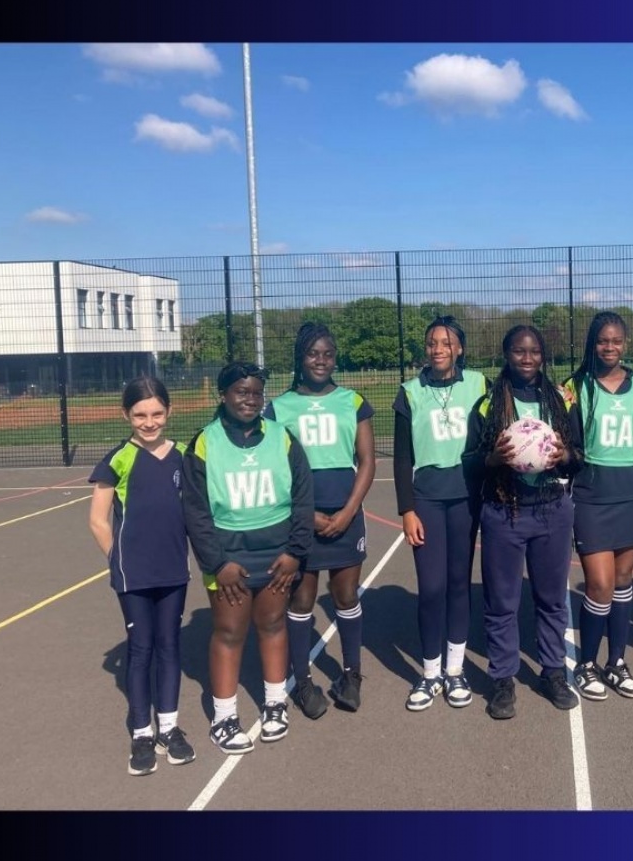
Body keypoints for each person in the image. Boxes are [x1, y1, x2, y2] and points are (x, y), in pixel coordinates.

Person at [183, 362, 315, 752]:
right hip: (228, 558)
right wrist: (217, 563)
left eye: (256, 392)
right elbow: (196, 511)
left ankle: (275, 704)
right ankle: (224, 717)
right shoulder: (204, 443)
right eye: (241, 392)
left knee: (273, 624)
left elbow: (303, 498)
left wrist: (295, 553)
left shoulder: (282, 438)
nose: (250, 399)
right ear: (222, 395)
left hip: (277, 555)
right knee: (229, 632)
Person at [462, 325, 583, 720]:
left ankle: (552, 672)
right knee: (502, 602)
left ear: (543, 355)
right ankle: (502, 679)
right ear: (506, 355)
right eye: (518, 351)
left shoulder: (562, 399)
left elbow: (580, 454)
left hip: (551, 508)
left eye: (533, 352)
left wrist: (565, 457)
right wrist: (492, 460)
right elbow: (471, 460)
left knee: (551, 599)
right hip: (504, 511)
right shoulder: (488, 404)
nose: (526, 359)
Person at [267, 323, 376, 715]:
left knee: (346, 596)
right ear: (300, 357)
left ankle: (352, 675)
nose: (321, 360)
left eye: (328, 353)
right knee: (301, 598)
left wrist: (347, 512)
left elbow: (366, 461)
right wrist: (307, 515)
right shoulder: (278, 408)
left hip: (345, 513)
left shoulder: (353, 401)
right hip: (302, 518)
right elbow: (276, 469)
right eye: (313, 353)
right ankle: (304, 682)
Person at [88, 376, 194, 776]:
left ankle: (169, 727)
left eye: (157, 414)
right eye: (140, 415)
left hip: (172, 570)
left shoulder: (183, 454)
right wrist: (118, 558)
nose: (149, 422)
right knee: (141, 649)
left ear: (168, 412)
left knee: (169, 647)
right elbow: (98, 520)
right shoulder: (119, 458)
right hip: (134, 574)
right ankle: (142, 733)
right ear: (126, 415)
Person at [393, 315, 487, 711]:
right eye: (432, 343)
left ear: (459, 349)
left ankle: (455, 670)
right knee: (431, 588)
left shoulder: (479, 384)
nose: (438, 349)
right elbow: (401, 457)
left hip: (466, 496)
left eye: (446, 343)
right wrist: (407, 509)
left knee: (458, 585)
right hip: (427, 498)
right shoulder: (410, 392)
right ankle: (430, 672)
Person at [566, 312, 633, 700]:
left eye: (616, 341)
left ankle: (616, 662)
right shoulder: (576, 386)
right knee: (600, 584)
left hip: (632, 490)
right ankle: (587, 662)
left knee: (623, 583)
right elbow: (567, 441)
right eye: (603, 341)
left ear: (626, 343)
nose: (610, 347)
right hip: (592, 492)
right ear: (593, 343)